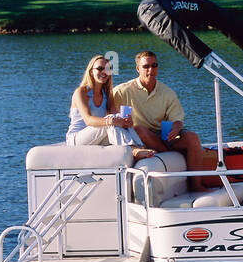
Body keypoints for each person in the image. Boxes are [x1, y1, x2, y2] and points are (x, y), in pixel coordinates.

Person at [113, 50, 208, 190]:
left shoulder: (167, 92)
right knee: (140, 130)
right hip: (140, 137)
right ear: (138, 69)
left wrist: (175, 128)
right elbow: (105, 106)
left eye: (154, 65)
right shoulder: (122, 91)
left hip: (164, 135)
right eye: (146, 66)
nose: (150, 69)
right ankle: (169, 153)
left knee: (192, 137)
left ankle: (196, 186)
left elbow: (177, 120)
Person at [66, 54, 154, 160]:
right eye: (100, 68)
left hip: (96, 137)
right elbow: (88, 120)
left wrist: (126, 121)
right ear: (91, 72)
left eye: (108, 69)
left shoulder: (107, 95)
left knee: (117, 117)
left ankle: (139, 147)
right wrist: (112, 121)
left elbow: (116, 116)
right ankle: (134, 150)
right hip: (76, 140)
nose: (104, 72)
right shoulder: (81, 92)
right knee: (110, 120)